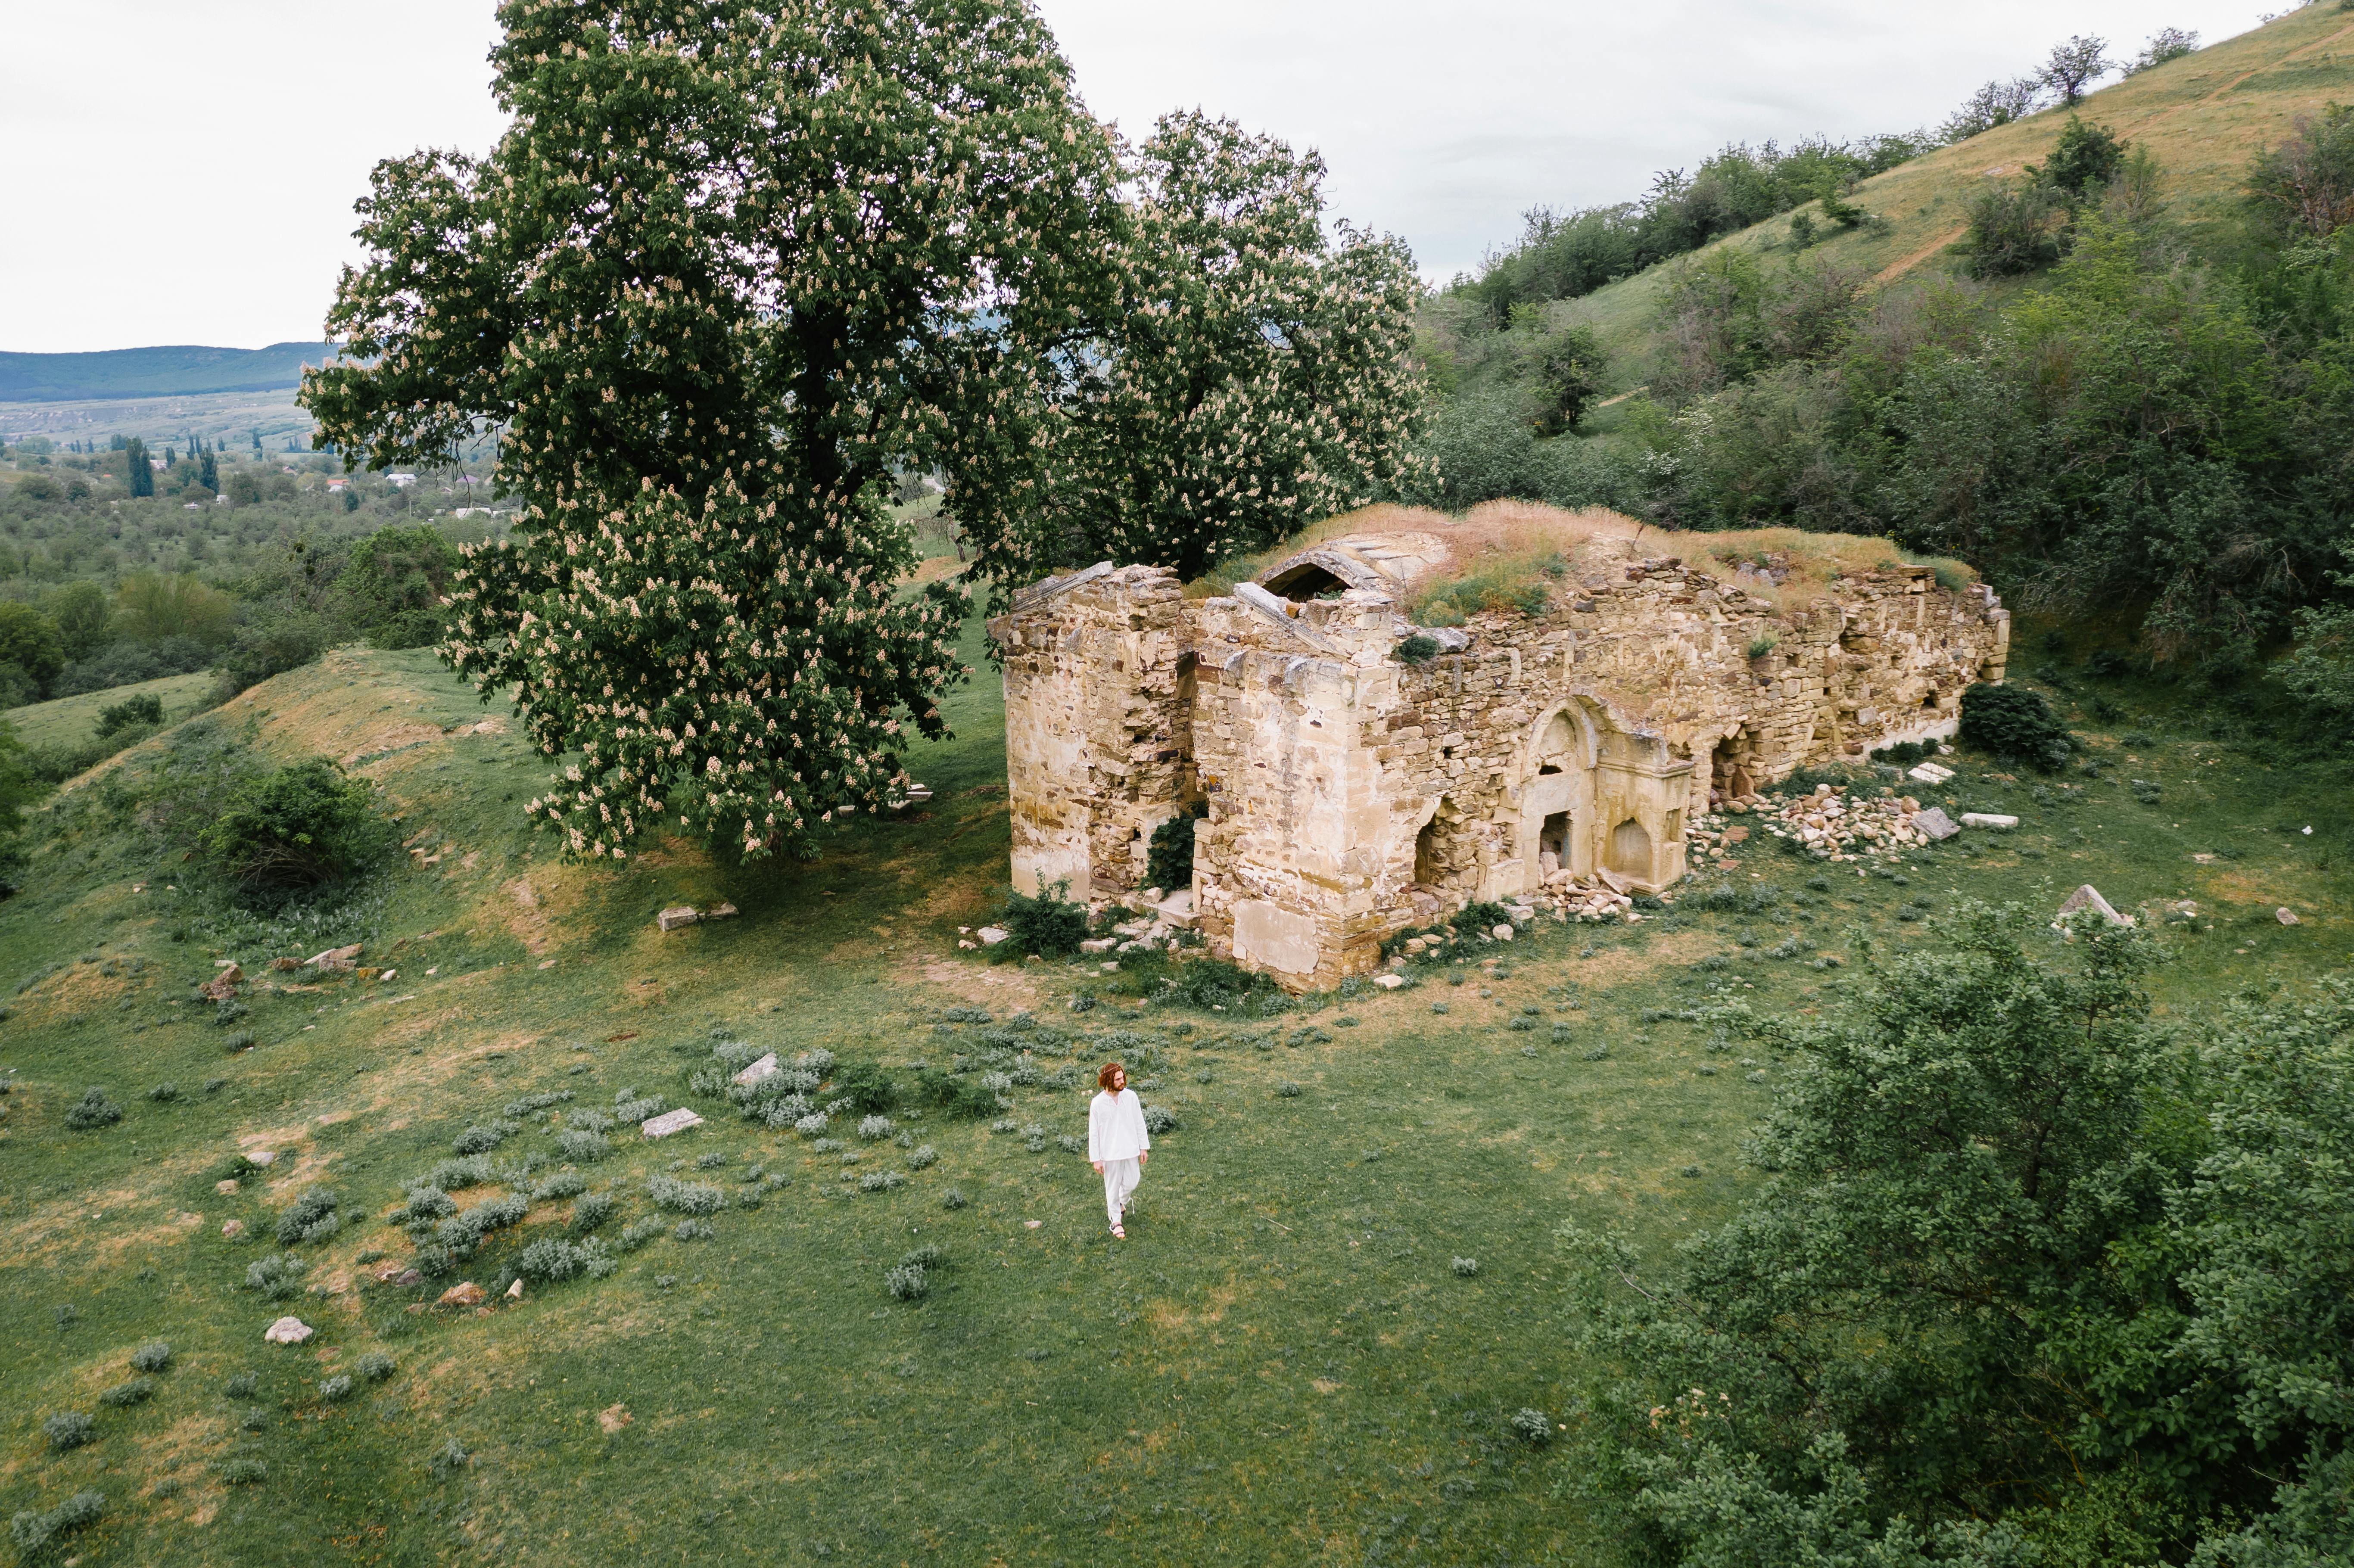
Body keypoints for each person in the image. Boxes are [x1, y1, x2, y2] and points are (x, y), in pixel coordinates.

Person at [1088, 1061, 1150, 1240]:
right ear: (1108, 1081)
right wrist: (1096, 1159)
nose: (1123, 1082)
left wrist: (1143, 1147)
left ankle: (1121, 1203)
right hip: (1110, 1153)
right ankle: (1116, 1221)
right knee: (1112, 1187)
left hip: (1130, 1149)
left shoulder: (1131, 1097)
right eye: (1118, 1079)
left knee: (1133, 1182)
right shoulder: (1098, 1103)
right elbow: (1094, 1133)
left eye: (1123, 1078)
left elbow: (1139, 1122)